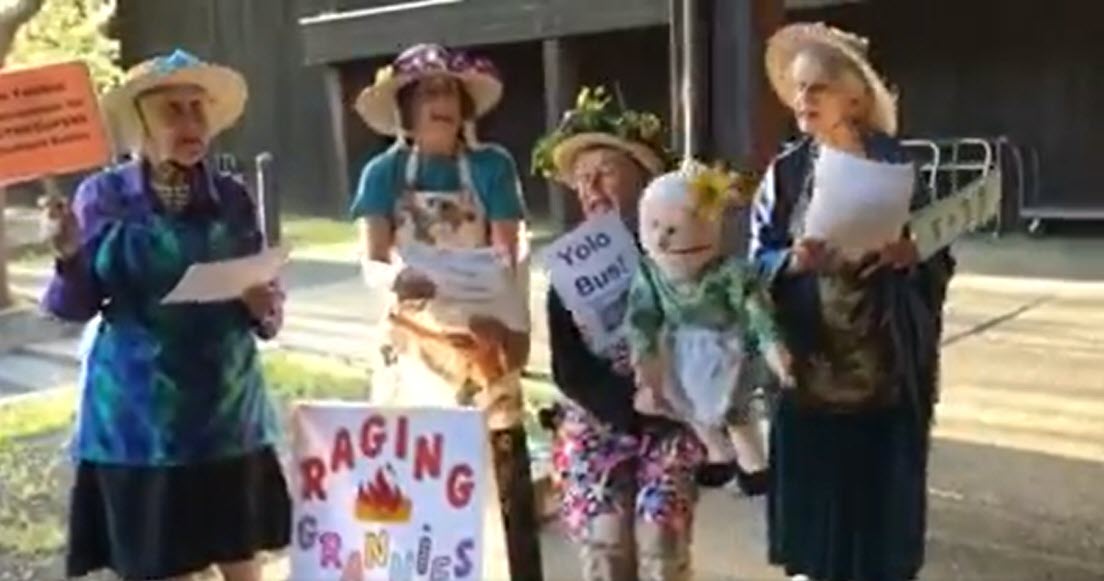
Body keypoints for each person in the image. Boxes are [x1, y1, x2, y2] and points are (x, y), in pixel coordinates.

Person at [42, 50, 289, 581]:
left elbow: (264, 304)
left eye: (198, 110)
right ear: (140, 125)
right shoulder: (101, 198)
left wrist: (264, 307)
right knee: (160, 566)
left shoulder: (231, 198)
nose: (190, 122)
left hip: (225, 414)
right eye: (173, 110)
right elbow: (73, 305)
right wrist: (68, 256)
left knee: (241, 560)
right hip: (137, 420)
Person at [750, 24, 955, 581]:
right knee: (818, 519)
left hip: (885, 368)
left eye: (818, 87)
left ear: (856, 97)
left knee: (879, 517)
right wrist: (792, 261)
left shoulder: (899, 166)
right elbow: (755, 264)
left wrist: (913, 254)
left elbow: (939, 253)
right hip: (813, 366)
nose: (803, 100)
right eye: (798, 88)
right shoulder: (787, 173)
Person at [348, 43, 543, 580]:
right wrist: (396, 280)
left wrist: (509, 323)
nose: (443, 100)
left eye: (451, 91)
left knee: (495, 480)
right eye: (430, 91)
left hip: (484, 340)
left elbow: (512, 251)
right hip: (413, 342)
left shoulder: (492, 166)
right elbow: (371, 262)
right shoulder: (381, 174)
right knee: (415, 483)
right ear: (405, 107)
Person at [533, 86, 705, 581]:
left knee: (660, 546)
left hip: (671, 418)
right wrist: (625, 407)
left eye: (604, 172)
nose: (591, 188)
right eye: (582, 179)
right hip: (599, 417)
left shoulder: (681, 252)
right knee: (605, 547)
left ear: (643, 176)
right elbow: (568, 365)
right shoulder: (572, 265)